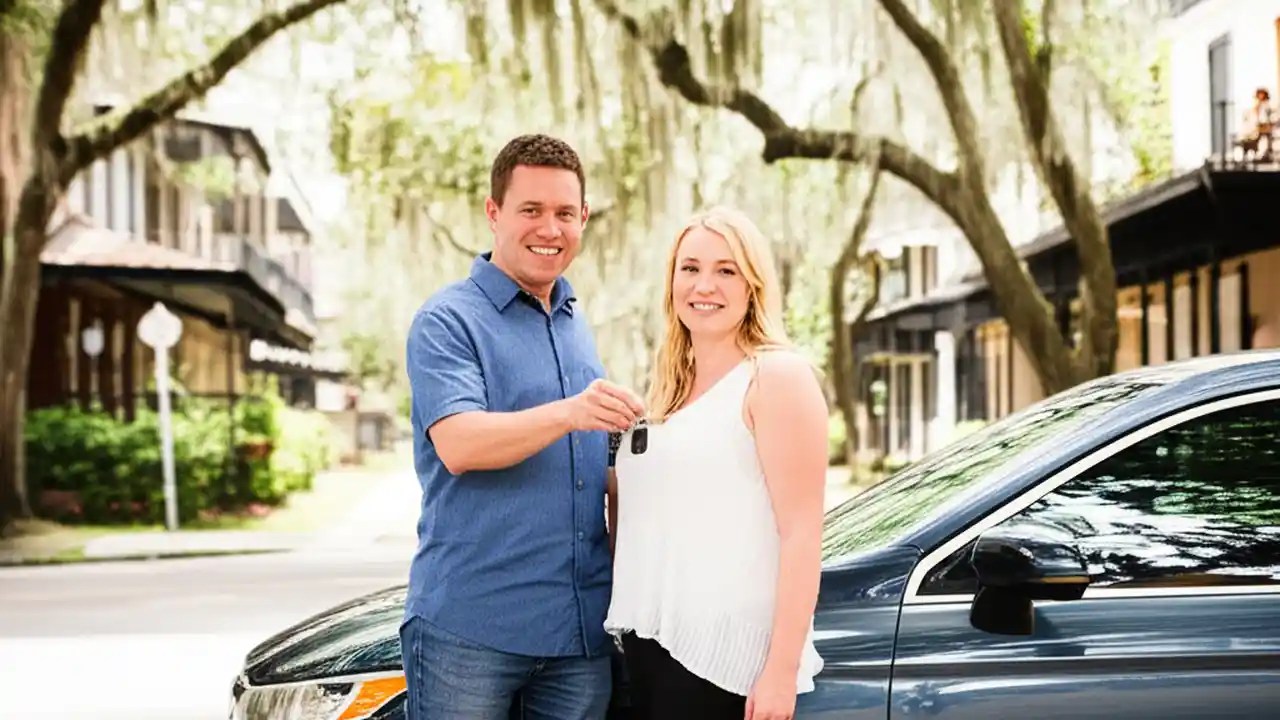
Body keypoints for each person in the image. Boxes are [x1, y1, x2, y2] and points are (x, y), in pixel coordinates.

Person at [401, 133, 645, 720]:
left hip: (577, 636)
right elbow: (459, 443)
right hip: (471, 631)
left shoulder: (574, 320)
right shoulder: (447, 320)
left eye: (565, 213)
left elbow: (591, 462)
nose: (550, 229)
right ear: (493, 213)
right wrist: (572, 413)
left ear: (584, 217)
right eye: (530, 210)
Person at [604, 206, 828, 719]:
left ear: (753, 286)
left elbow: (802, 533)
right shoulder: (664, 396)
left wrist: (779, 672)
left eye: (726, 270)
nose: (705, 284)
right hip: (645, 648)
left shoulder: (776, 377)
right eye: (691, 268)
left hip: (722, 662)